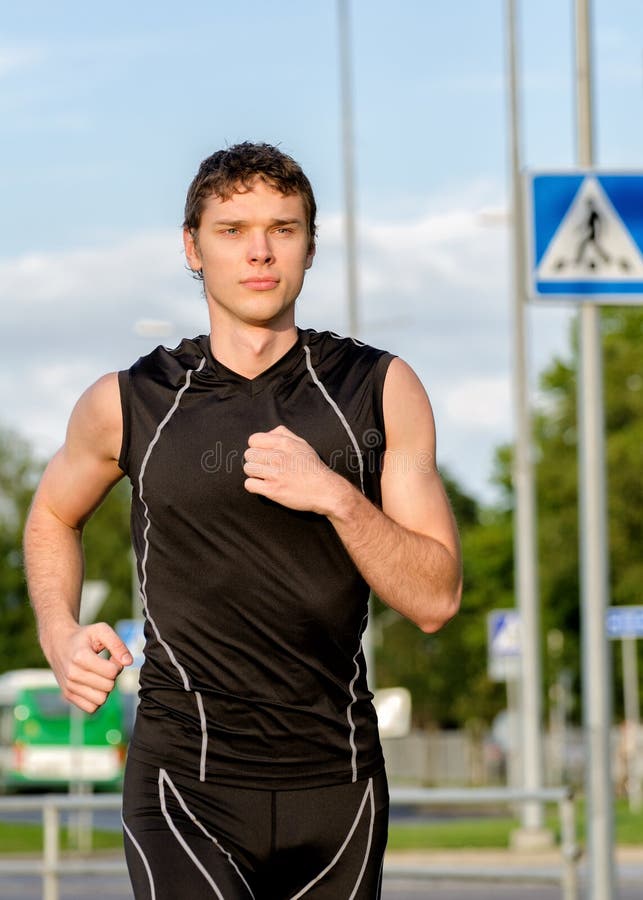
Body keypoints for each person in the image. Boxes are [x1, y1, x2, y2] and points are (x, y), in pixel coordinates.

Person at [24, 142, 461, 899]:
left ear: (310, 245)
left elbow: (435, 600)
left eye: (282, 228)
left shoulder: (378, 389)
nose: (259, 251)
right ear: (192, 247)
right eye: (232, 230)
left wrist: (335, 495)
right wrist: (58, 633)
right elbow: (50, 516)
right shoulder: (131, 402)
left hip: (337, 783)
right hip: (184, 782)